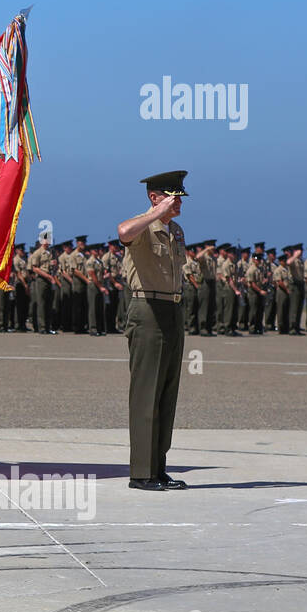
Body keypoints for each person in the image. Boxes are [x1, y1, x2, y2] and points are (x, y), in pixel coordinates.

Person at [116, 170, 190, 492]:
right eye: (173, 199)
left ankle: (158, 468)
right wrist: (155, 214)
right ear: (155, 197)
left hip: (172, 309)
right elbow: (122, 232)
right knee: (146, 394)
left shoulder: (175, 232)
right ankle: (141, 473)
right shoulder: (143, 227)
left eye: (180, 199)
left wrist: (166, 217)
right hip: (147, 310)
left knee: (166, 395)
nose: (178, 204)